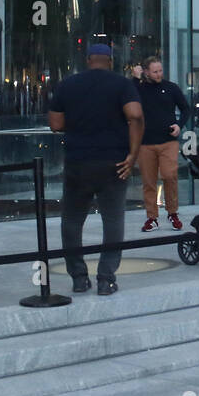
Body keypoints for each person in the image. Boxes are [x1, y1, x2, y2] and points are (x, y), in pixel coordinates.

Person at [47, 44, 144, 296]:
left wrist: (80, 123)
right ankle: (106, 278)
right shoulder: (122, 85)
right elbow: (135, 116)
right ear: (110, 61)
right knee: (112, 221)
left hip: (78, 162)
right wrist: (132, 155)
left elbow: (55, 124)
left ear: (88, 60)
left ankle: (79, 278)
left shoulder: (68, 84)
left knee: (71, 221)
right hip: (114, 163)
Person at [137, 56, 191, 231]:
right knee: (149, 181)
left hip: (168, 141)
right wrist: (134, 78)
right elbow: (125, 95)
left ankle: (172, 212)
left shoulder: (170, 88)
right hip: (145, 143)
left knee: (169, 175)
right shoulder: (139, 88)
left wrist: (179, 125)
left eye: (160, 70)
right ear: (146, 72)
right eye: (155, 71)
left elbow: (186, 108)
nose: (159, 74)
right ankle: (152, 217)